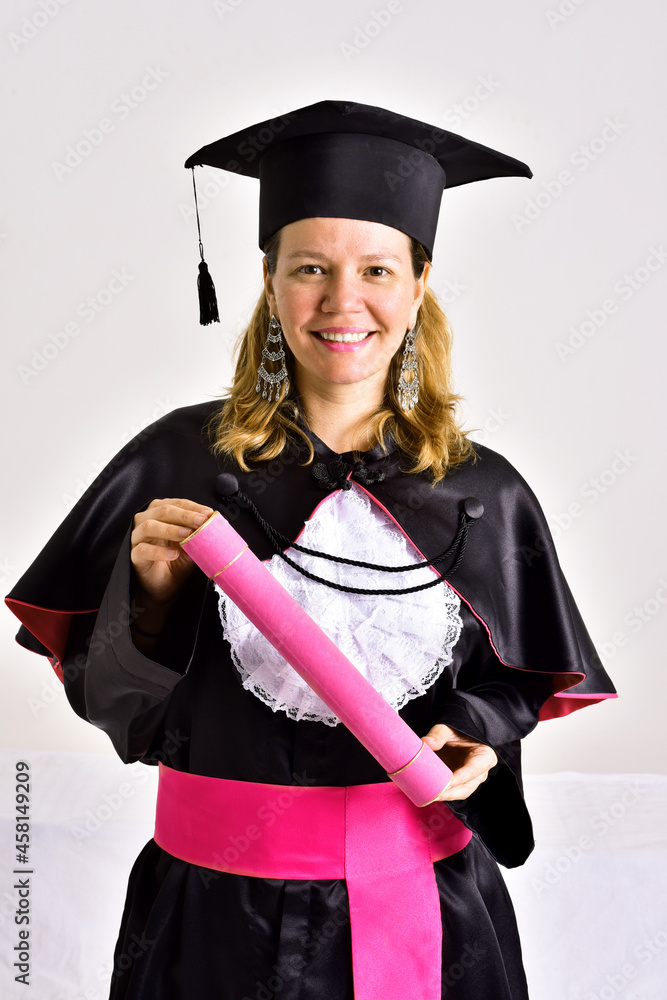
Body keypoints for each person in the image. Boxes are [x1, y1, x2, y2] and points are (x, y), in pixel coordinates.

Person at [6, 100, 616, 1000]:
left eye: (375, 268)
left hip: (427, 914)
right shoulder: (175, 463)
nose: (343, 301)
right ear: (267, 279)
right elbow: (117, 712)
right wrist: (155, 599)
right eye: (310, 269)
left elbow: (515, 684)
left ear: (417, 285)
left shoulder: (483, 492)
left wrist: (479, 734)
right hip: (210, 920)